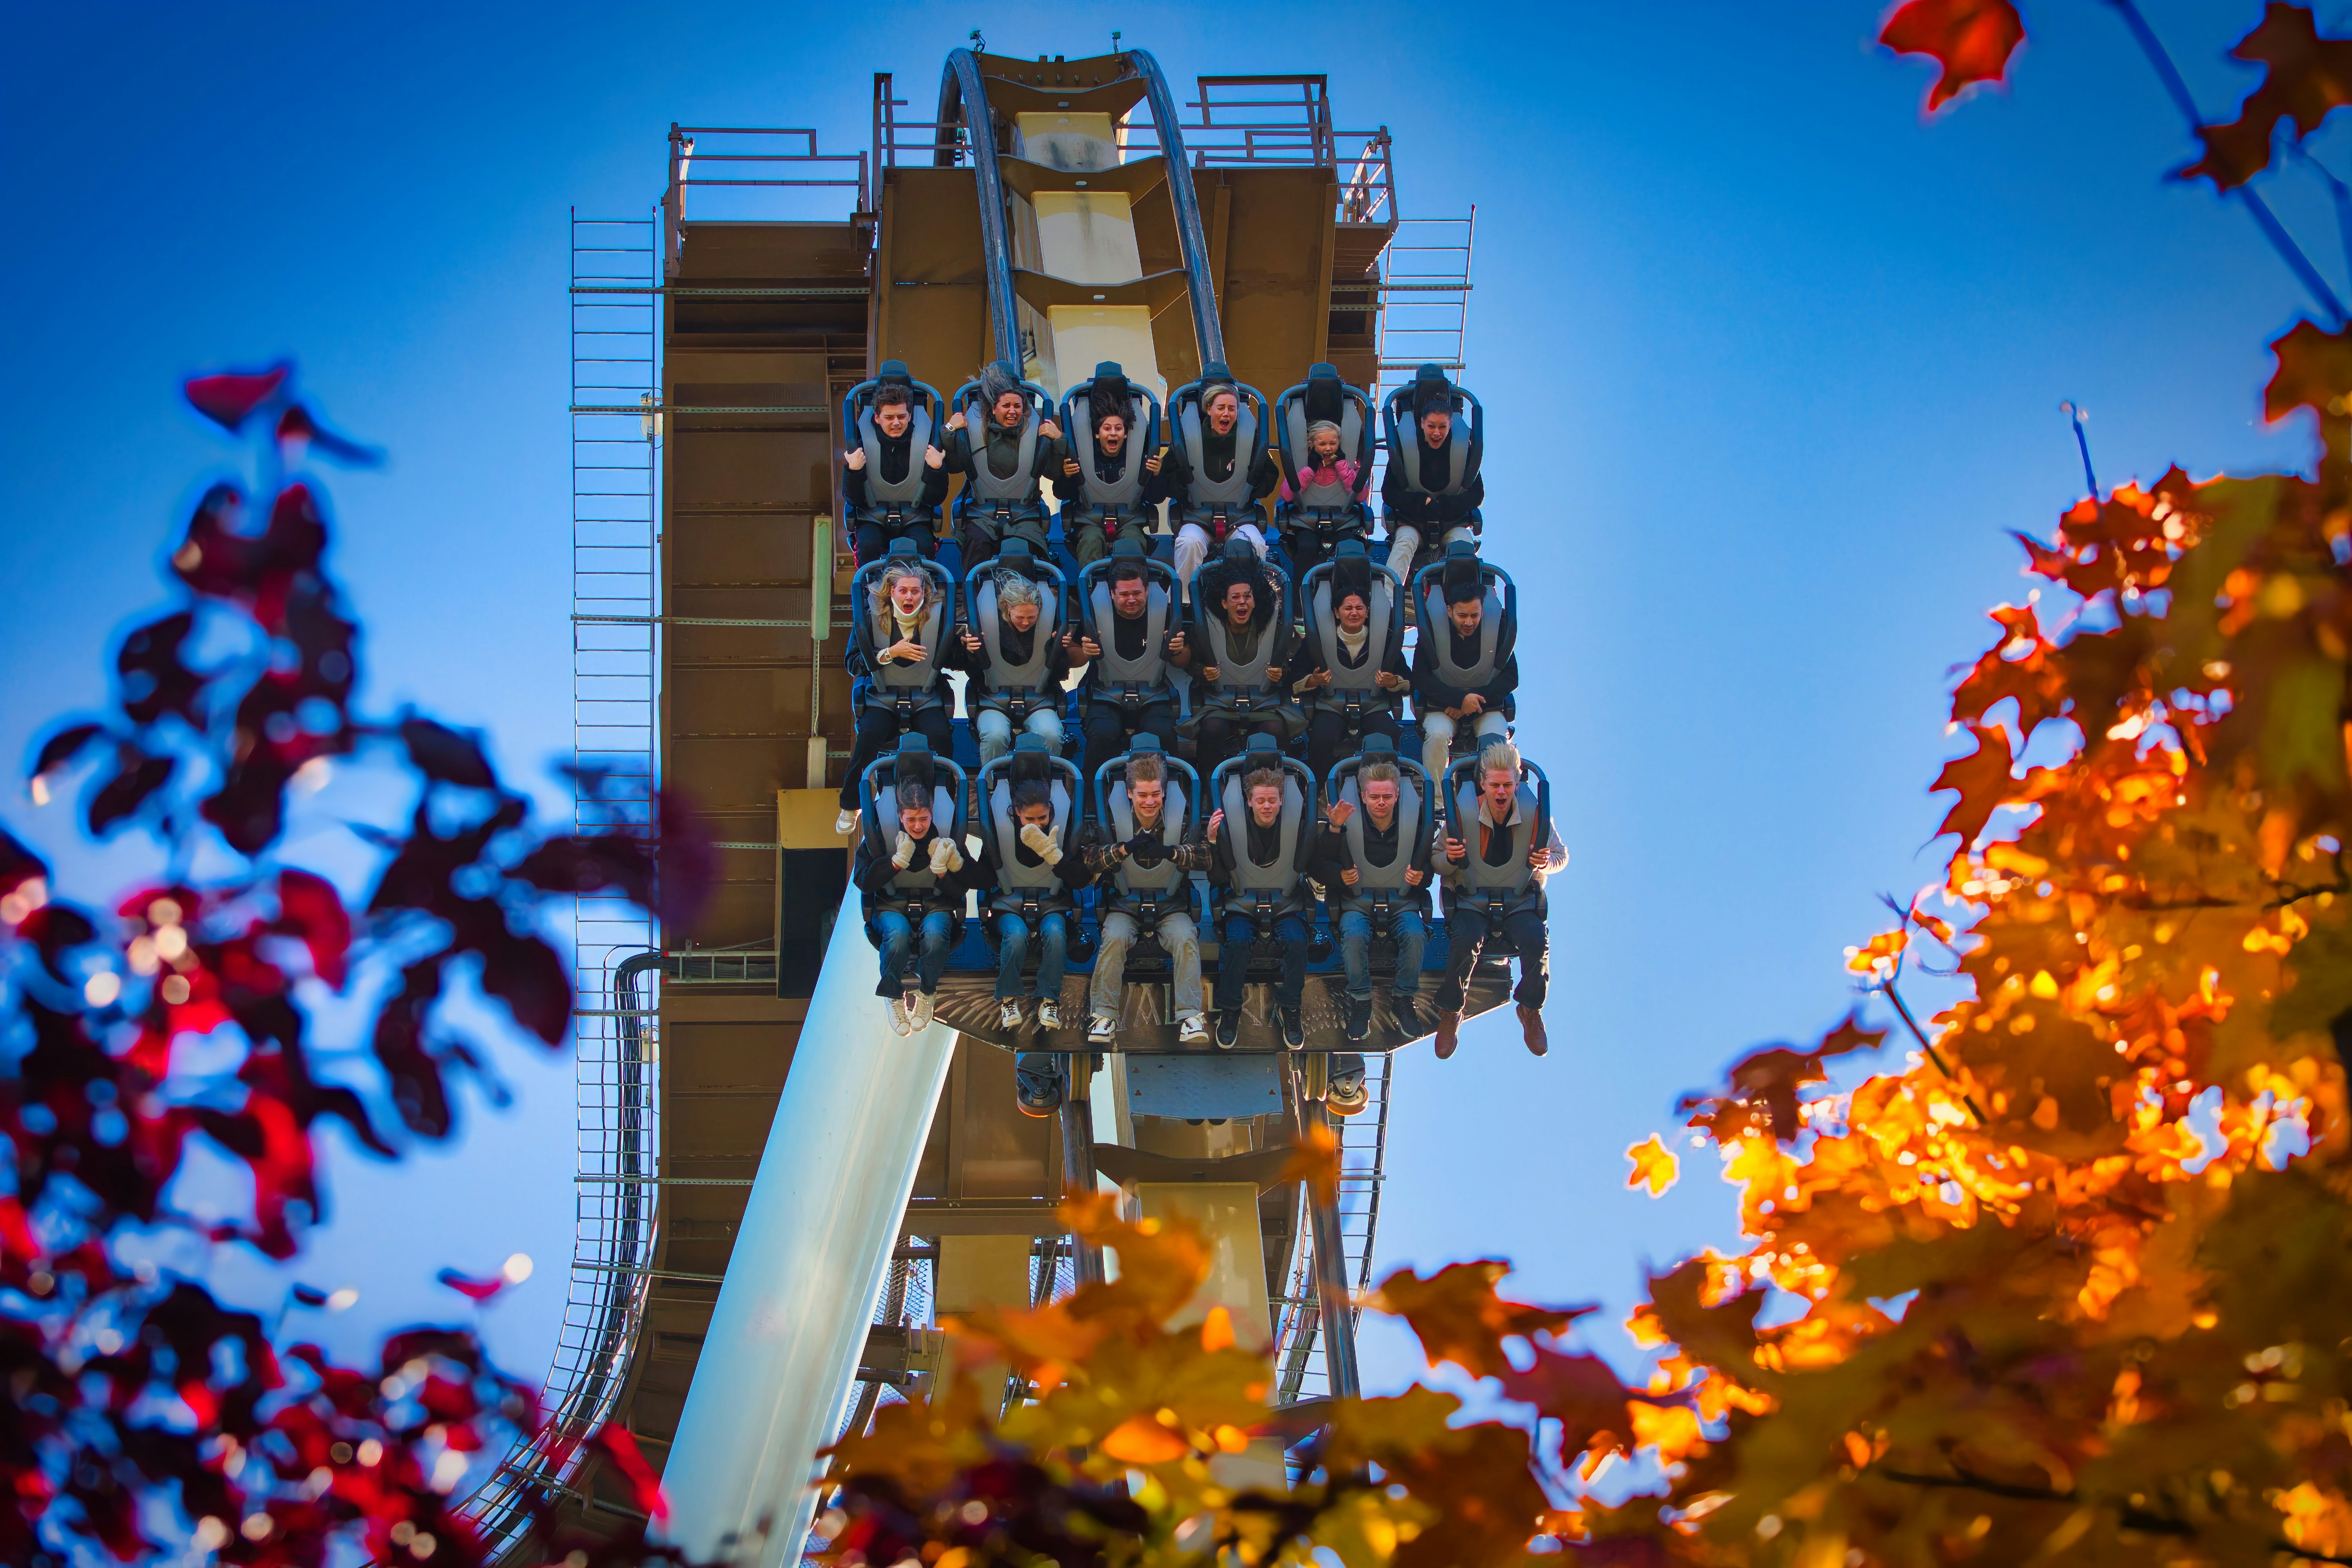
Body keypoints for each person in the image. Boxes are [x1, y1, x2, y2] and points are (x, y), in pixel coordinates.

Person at [1432, 741, 1566, 1060]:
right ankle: (1451, 1011)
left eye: (1508, 785)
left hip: (1518, 898)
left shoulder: (1535, 813)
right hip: (1471, 897)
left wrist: (1546, 862)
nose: (1502, 793)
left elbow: (1562, 856)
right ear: (1483, 784)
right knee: (1464, 940)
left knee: (1537, 941)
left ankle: (1530, 1009)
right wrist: (1450, 859)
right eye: (1495, 785)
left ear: (1517, 784)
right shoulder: (1462, 812)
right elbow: (1436, 860)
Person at [1082, 749, 1213, 1045]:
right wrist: (1125, 849)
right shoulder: (1111, 819)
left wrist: (1170, 852)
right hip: (1124, 902)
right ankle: (1104, 1015)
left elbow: (1207, 857)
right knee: (1114, 937)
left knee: (1185, 939)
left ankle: (1191, 1016)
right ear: (1130, 794)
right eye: (1143, 795)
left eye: (1156, 794)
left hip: (1171, 902)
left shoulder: (1181, 817)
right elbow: (1089, 859)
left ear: (1164, 792)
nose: (1150, 801)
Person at [1313, 752, 1432, 1053]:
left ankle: (1403, 999)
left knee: (1416, 935)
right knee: (1353, 938)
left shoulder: (1413, 823)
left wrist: (1422, 876)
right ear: (1364, 797)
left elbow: (1429, 866)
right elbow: (1317, 864)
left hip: (1402, 899)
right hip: (1357, 901)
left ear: (1397, 797)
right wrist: (1335, 833)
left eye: (1388, 797)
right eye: (1375, 796)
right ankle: (1361, 1001)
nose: (1381, 802)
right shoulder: (1345, 821)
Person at [835, 556, 955, 835]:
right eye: (903, 591)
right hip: (882, 693)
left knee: (941, 738)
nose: (910, 596)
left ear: (924, 593)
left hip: (925, 695)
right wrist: (890, 653)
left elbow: (953, 658)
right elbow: (853, 663)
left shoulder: (937, 618)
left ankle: (942, 801)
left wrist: (968, 647)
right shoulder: (871, 617)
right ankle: (851, 803)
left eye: (916, 591)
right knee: (869, 737)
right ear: (892, 593)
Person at [854, 776, 978, 1035]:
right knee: (898, 937)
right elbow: (863, 882)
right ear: (900, 816)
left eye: (924, 819)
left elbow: (968, 884)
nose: (918, 826)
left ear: (932, 814)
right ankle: (893, 995)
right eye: (911, 820)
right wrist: (895, 863)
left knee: (935, 936)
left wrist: (946, 871)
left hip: (937, 902)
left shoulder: (945, 838)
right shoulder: (883, 836)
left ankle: (927, 991)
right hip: (892, 901)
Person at [1205, 760, 1315, 1051]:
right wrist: (1214, 843)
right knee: (1238, 941)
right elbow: (1216, 877)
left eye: (1273, 801)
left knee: (1298, 941)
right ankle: (1230, 1011)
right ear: (1250, 802)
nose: (1267, 807)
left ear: (1281, 800)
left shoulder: (1296, 828)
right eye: (1261, 801)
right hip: (1241, 900)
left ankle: (1290, 1008)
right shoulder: (1231, 828)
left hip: (1285, 900)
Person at [977, 774, 1089, 1036]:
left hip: (1052, 902)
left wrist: (1055, 857)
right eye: (1030, 820)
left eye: (1043, 818)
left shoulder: (1060, 834)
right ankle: (1008, 998)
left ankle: (1050, 1000)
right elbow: (983, 876)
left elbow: (1081, 879)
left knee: (1055, 933)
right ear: (1017, 813)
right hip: (1009, 902)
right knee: (1015, 936)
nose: (1038, 825)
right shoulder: (1003, 837)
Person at [1069, 552, 1188, 782]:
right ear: (1113, 594)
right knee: (1104, 734)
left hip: (1154, 692)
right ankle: (1092, 805)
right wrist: (1084, 652)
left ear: (1146, 591)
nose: (1131, 599)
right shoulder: (1095, 611)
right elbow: (1074, 659)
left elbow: (1183, 661)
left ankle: (1172, 795)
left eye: (1136, 593)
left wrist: (1178, 649)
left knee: (1163, 733)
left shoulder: (1165, 611)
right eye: (1124, 594)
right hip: (1104, 690)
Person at [1293, 549, 1410, 783]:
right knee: (1323, 736)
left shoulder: (1385, 641)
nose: (1354, 613)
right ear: (1337, 613)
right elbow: (1295, 675)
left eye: (1359, 608)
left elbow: (1406, 676)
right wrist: (1312, 681)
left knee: (1386, 735)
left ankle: (1381, 790)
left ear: (1368, 612)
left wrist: (1395, 682)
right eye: (1348, 608)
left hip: (1373, 705)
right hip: (1330, 704)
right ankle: (1323, 790)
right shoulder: (1318, 640)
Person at [1161, 367, 1280, 593]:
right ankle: (1185, 601)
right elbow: (1168, 479)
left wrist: (1253, 485)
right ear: (1209, 409)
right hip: (1196, 515)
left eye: (1232, 409)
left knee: (1255, 543)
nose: (1227, 414)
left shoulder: (1249, 439)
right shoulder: (1187, 437)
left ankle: (1248, 596)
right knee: (1189, 543)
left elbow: (1269, 477)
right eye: (1221, 408)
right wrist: (1181, 486)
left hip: (1239, 514)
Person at [1181, 544, 1297, 775]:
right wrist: (1202, 672)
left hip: (1264, 700)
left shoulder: (1271, 624)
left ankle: (1272, 790)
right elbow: (1193, 662)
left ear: (1255, 600)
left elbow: (1287, 662)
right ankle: (1208, 789)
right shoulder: (1207, 625)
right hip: (1219, 700)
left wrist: (1281, 673)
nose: (1242, 602)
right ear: (1225, 603)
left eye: (1248, 597)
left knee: (1275, 729)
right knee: (1212, 728)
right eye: (1235, 598)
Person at [945, 360, 1065, 571]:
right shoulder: (974, 430)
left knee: (1029, 554)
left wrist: (1058, 442)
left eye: (1017, 406)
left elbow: (1053, 473)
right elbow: (953, 465)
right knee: (976, 547)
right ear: (994, 408)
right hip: (981, 512)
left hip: (1025, 511)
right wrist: (949, 431)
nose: (1012, 412)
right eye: (1006, 406)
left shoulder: (1035, 431)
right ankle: (975, 597)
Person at [1411, 552, 1517, 789]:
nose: (1469, 622)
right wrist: (1459, 701)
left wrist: (1474, 701)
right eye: (1462, 616)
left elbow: (1511, 677)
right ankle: (1438, 800)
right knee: (1438, 735)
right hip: (1443, 705)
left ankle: (1484, 800)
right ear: (1449, 611)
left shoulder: (1496, 629)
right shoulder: (1433, 630)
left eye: (1475, 616)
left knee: (1496, 746)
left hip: (1486, 705)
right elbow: (1420, 677)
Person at [1381, 365, 1484, 589]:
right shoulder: (1405, 449)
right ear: (1422, 425)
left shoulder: (1462, 450)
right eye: (1431, 427)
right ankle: (1387, 602)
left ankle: (1466, 599)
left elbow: (1477, 494)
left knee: (1464, 546)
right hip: (1413, 521)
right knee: (1404, 544)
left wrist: (1445, 506)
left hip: (1452, 522)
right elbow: (1389, 492)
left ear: (1450, 426)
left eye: (1442, 427)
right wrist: (1421, 504)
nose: (1436, 433)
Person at [956, 563, 1070, 765]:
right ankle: (991, 788)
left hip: (1039, 696)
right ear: (1008, 608)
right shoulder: (986, 623)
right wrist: (971, 652)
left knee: (1051, 734)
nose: (1026, 622)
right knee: (995, 736)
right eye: (1020, 617)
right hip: (992, 697)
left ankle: (1047, 784)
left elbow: (1059, 673)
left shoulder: (1049, 626)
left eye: (1031, 617)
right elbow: (973, 671)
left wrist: (1060, 650)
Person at [1054, 366, 1166, 566]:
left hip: (1130, 519)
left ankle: (1129, 590)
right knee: (1090, 542)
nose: (1113, 433)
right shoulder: (1084, 454)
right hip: (1089, 520)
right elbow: (1061, 493)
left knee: (1132, 545)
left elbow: (1155, 497)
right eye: (1107, 428)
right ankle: (1090, 592)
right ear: (1097, 434)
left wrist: (1157, 475)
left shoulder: (1137, 455)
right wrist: (1067, 476)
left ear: (1125, 433)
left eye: (1118, 428)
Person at [842, 376, 949, 563]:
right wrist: (853, 471)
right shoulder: (861, 445)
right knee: (869, 548)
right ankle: (873, 590)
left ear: (909, 415)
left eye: (901, 417)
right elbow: (854, 499)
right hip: (871, 516)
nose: (896, 423)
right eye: (889, 418)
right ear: (877, 418)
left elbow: (936, 499)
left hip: (916, 515)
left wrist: (936, 469)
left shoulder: (926, 444)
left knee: (923, 548)